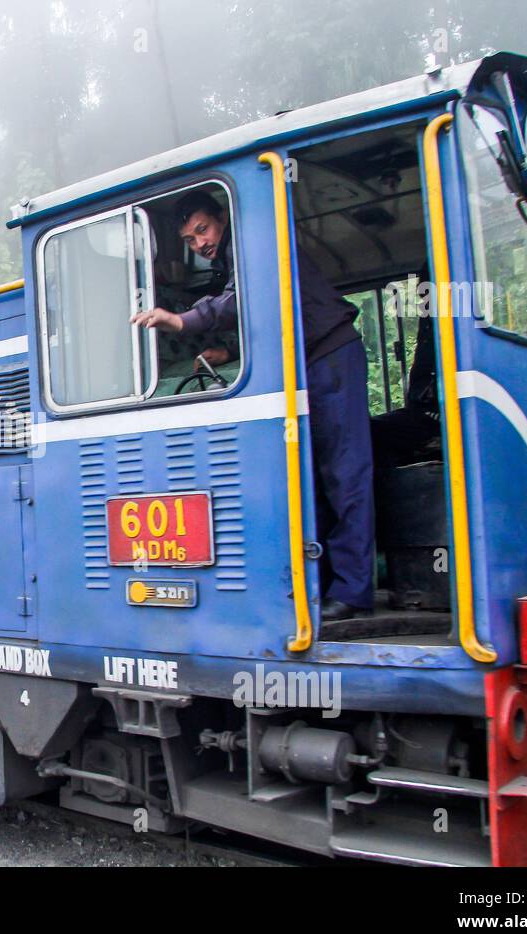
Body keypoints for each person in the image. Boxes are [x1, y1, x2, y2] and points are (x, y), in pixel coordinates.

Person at [131, 190, 375, 622]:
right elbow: (268, 315)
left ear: (223, 218)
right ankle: (321, 584)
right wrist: (231, 352)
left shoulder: (252, 242)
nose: (199, 243)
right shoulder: (230, 254)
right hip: (307, 363)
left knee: (344, 471)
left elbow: (243, 296)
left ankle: (354, 591)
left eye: (202, 230)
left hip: (330, 357)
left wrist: (181, 320)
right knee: (312, 476)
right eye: (189, 240)